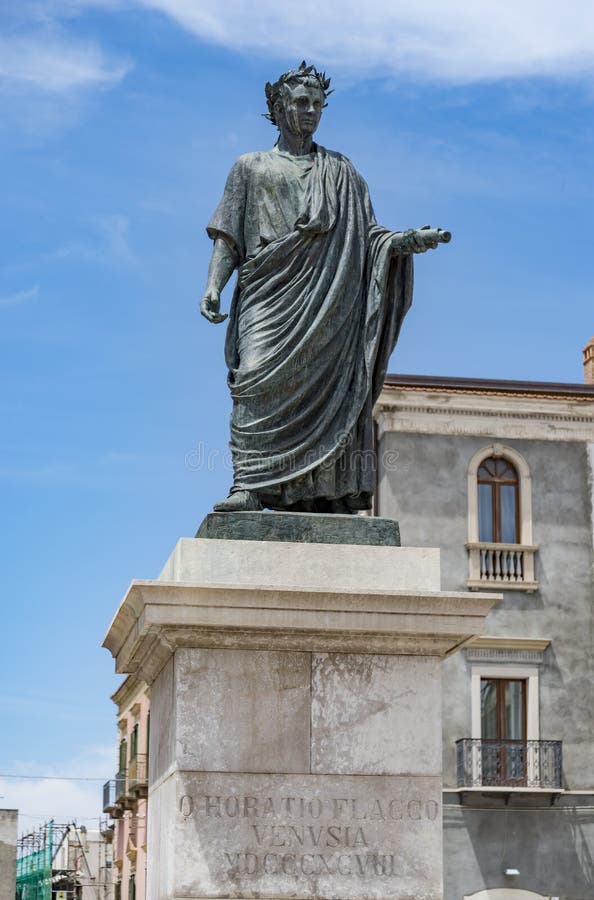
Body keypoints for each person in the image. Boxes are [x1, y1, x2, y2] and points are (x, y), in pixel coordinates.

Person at [200, 62, 444, 513]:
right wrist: (214, 286)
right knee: (254, 378)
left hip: (329, 303)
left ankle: (326, 495)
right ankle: (248, 485)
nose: (309, 110)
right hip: (268, 295)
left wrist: (406, 241)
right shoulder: (250, 167)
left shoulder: (342, 172)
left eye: (316, 104)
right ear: (277, 108)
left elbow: (368, 237)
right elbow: (228, 236)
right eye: (299, 102)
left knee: (332, 390)